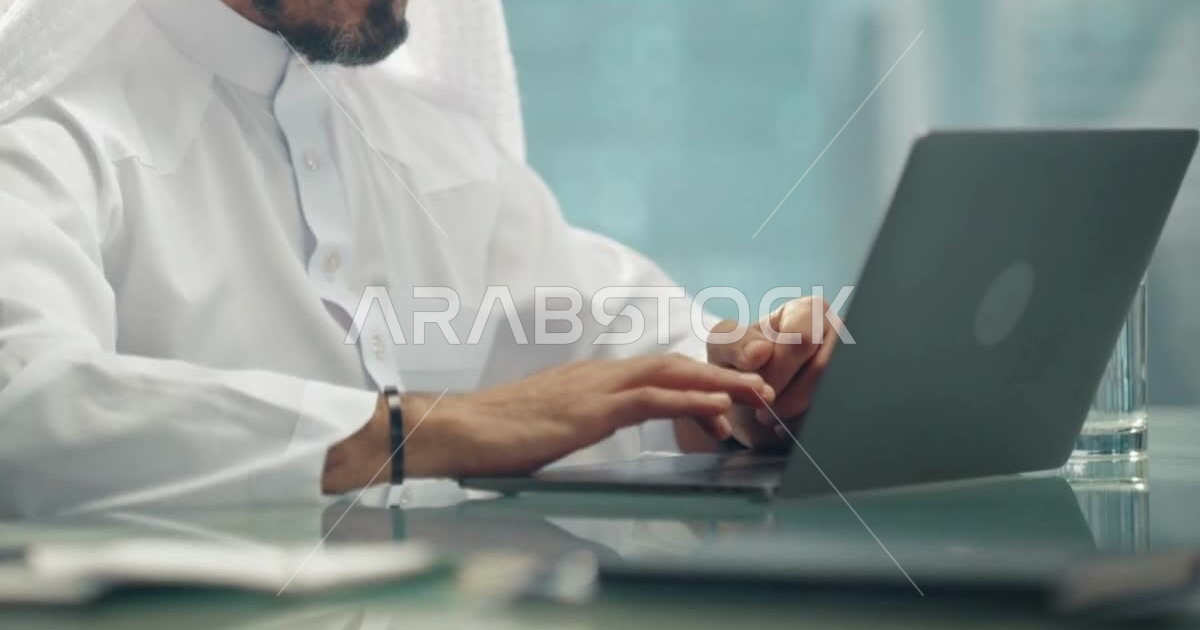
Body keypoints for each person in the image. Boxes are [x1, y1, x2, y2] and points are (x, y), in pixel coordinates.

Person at [0, 0, 838, 517]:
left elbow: (583, 333)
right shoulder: (45, 128)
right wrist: (417, 431)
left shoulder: (427, 138)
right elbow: (29, 407)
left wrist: (735, 384)